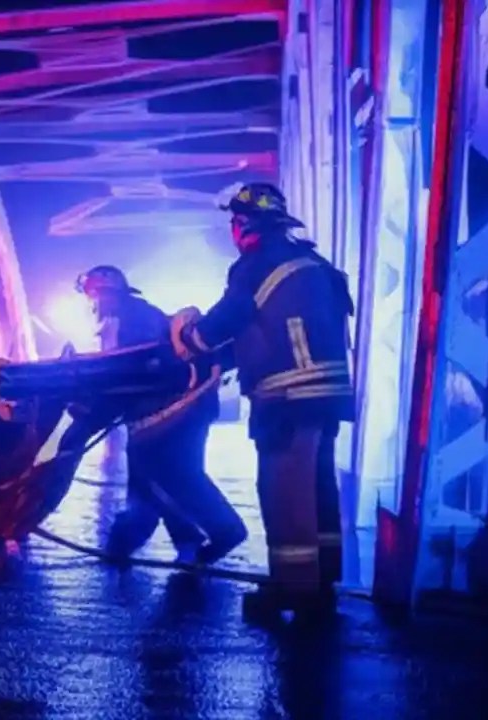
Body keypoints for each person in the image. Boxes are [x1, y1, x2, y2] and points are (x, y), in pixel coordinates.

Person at [169, 182, 354, 618]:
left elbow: (222, 323)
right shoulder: (313, 262)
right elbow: (275, 323)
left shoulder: (254, 265)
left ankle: (293, 590)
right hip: (327, 394)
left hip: (287, 395)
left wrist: (189, 338)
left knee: (282, 489)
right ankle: (322, 578)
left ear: (245, 224)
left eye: (234, 222)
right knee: (317, 487)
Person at [73, 265, 247, 566]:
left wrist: (89, 416)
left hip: (173, 412)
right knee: (158, 478)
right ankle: (160, 540)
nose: (93, 305)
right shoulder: (132, 316)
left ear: (104, 294)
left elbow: (127, 371)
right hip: (179, 411)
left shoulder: (130, 321)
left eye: (94, 296)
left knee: (170, 476)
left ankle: (223, 530)